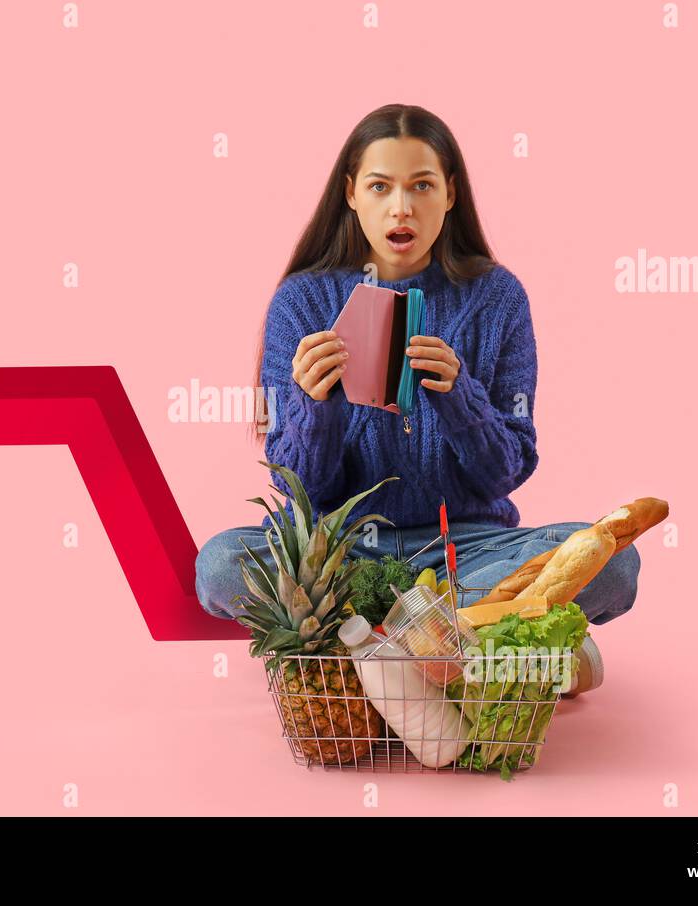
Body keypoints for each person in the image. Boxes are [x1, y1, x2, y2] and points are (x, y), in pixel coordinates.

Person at [194, 104, 640, 691]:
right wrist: (316, 407)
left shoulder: (497, 297)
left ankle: (372, 654)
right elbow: (298, 487)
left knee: (614, 560)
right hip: (342, 560)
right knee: (221, 564)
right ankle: (483, 647)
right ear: (352, 194)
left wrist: (460, 397)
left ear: (450, 194)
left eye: (421, 186)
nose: (401, 208)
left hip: (468, 551)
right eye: (380, 187)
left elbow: (506, 471)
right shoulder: (300, 302)